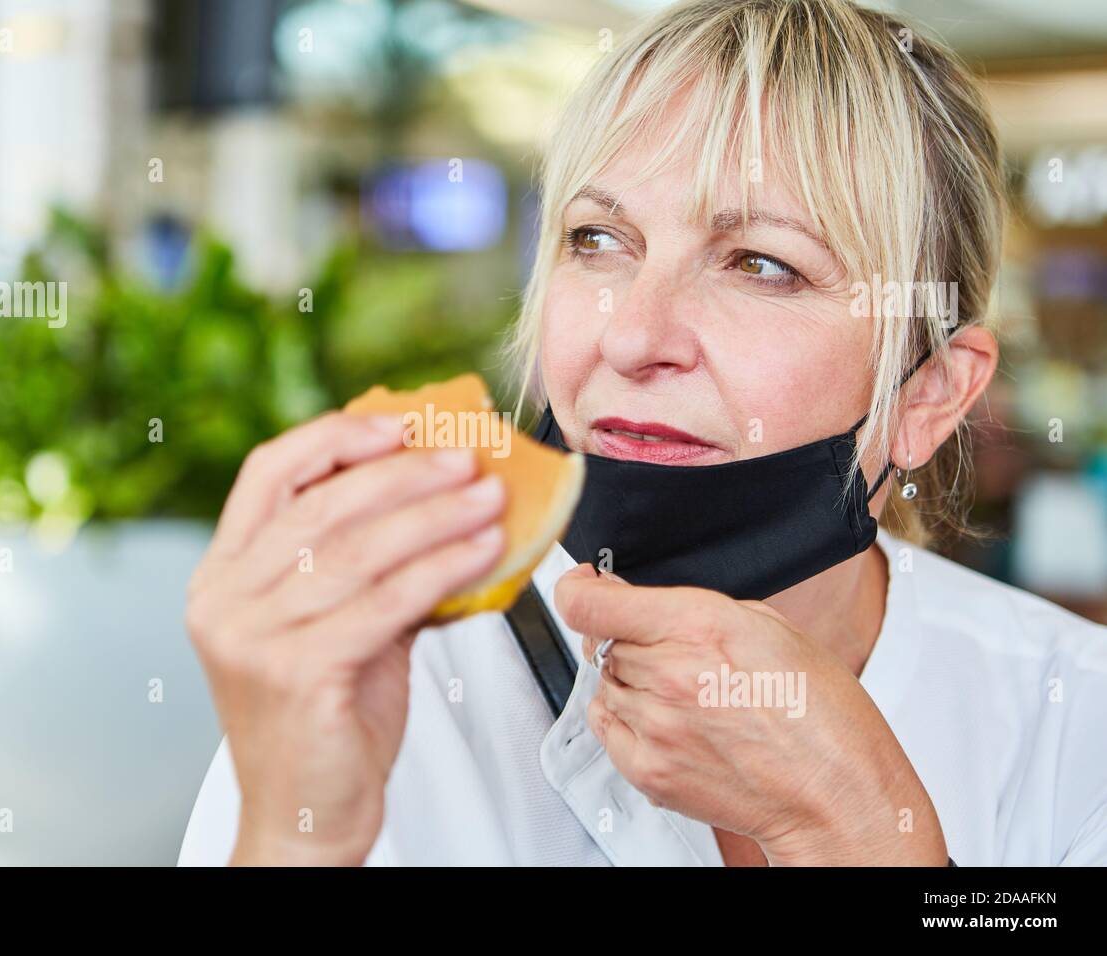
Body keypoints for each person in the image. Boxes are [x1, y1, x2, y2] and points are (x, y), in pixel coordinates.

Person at [177, 0, 1107, 866]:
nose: (631, 336)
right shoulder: (384, 682)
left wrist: (851, 825)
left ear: (930, 398)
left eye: (761, 264)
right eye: (597, 241)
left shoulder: (1074, 720)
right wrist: (296, 829)